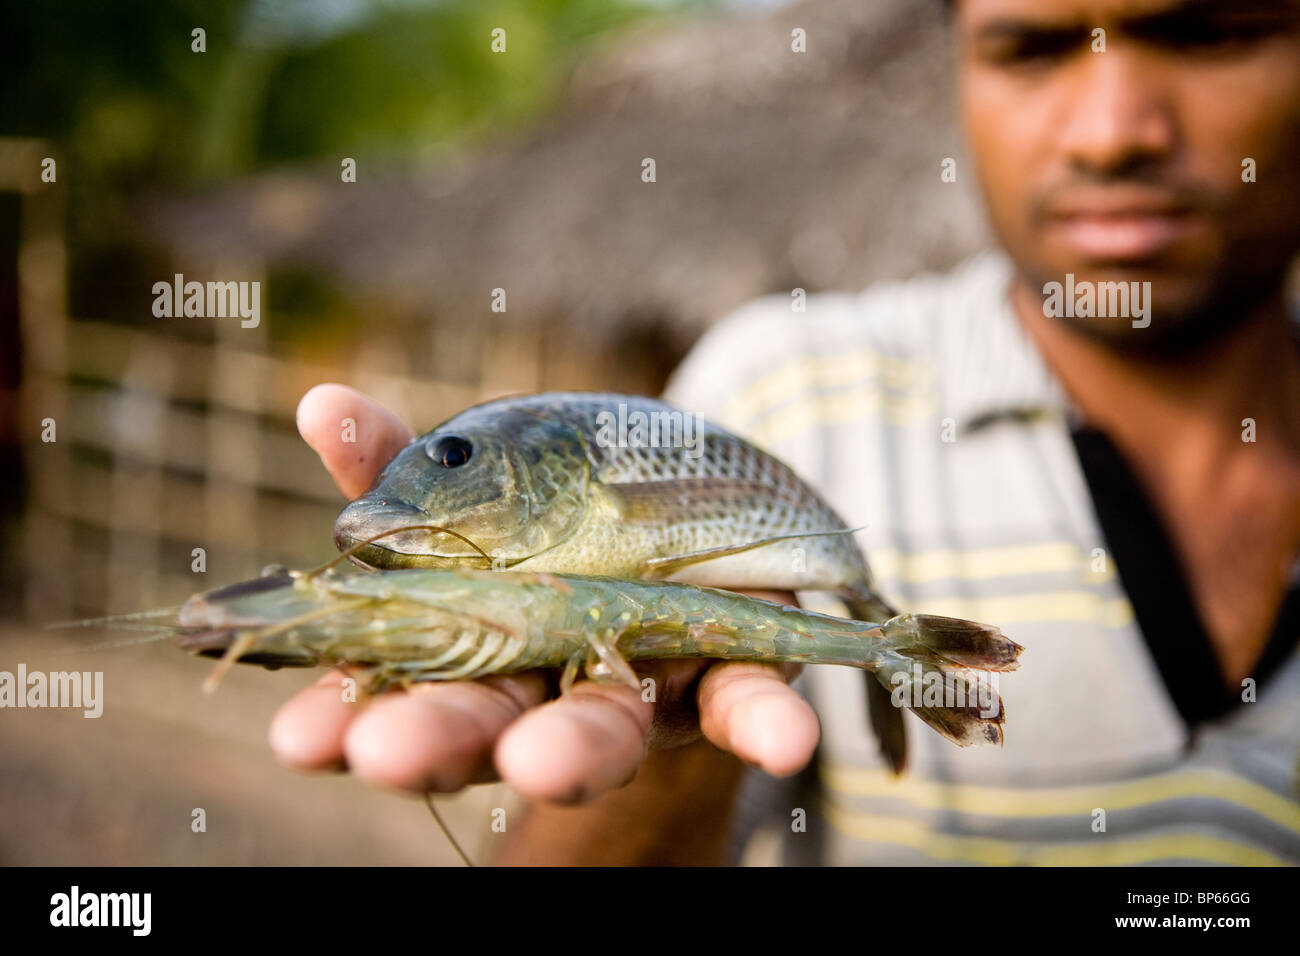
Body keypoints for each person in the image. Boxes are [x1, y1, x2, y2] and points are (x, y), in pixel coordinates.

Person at [270, 0, 1300, 864]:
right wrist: (675, 735)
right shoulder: (777, 384)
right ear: (957, 63)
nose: (1111, 129)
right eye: (1028, 46)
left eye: (1207, 32)